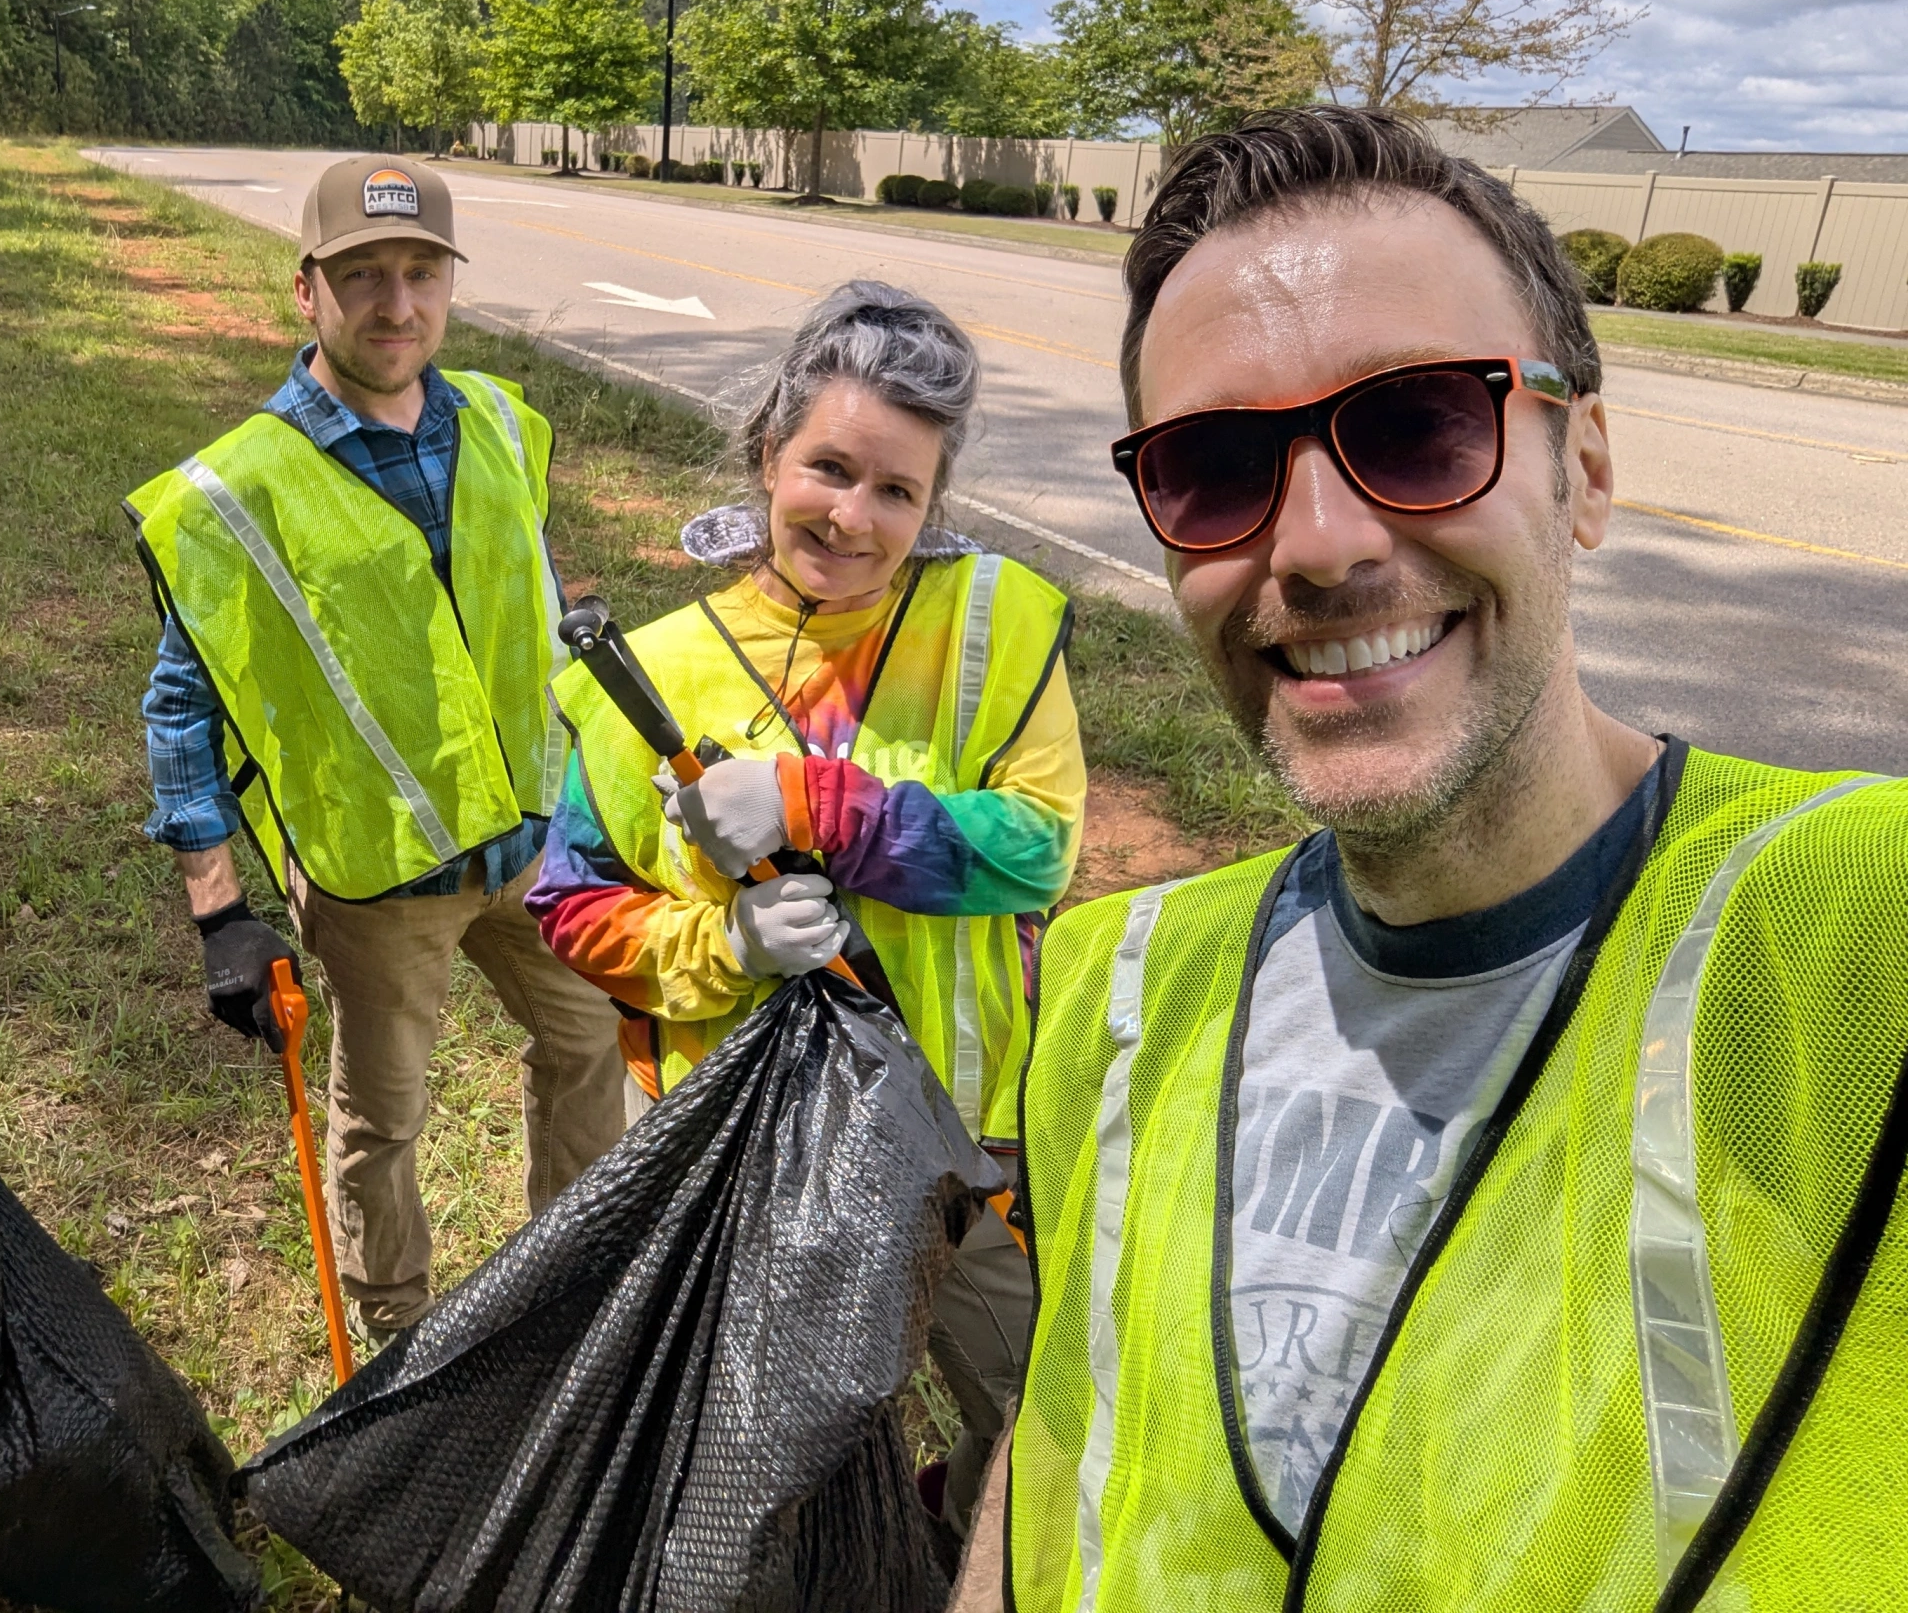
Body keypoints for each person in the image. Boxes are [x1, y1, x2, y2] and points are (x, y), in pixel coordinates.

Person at [954, 106, 1908, 1612]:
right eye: (1214, 468)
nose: (1318, 543)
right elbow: (1064, 1428)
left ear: (1583, 469)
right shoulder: (1113, 989)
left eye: (1417, 426)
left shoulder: (1862, 924)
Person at [531, 281, 1089, 1557]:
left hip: (963, 1135)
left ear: (932, 506)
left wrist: (813, 799)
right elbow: (572, 906)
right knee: (768, 1451)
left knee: (1043, 1404)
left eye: (896, 491)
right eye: (827, 468)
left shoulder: (992, 625)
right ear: (765, 457)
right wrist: (718, 948)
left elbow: (1037, 849)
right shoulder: (658, 669)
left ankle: (956, 1533)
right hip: (752, 1151)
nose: (853, 515)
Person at [125, 154, 623, 1347]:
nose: (394, 304)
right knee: (383, 1122)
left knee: (590, 1041)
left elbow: (529, 616)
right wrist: (217, 912)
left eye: (418, 273)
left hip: (529, 840)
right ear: (308, 289)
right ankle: (400, 1337)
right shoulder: (236, 489)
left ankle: (568, 1290)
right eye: (362, 276)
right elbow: (181, 704)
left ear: (447, 286)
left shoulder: (503, 421)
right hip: (379, 879)